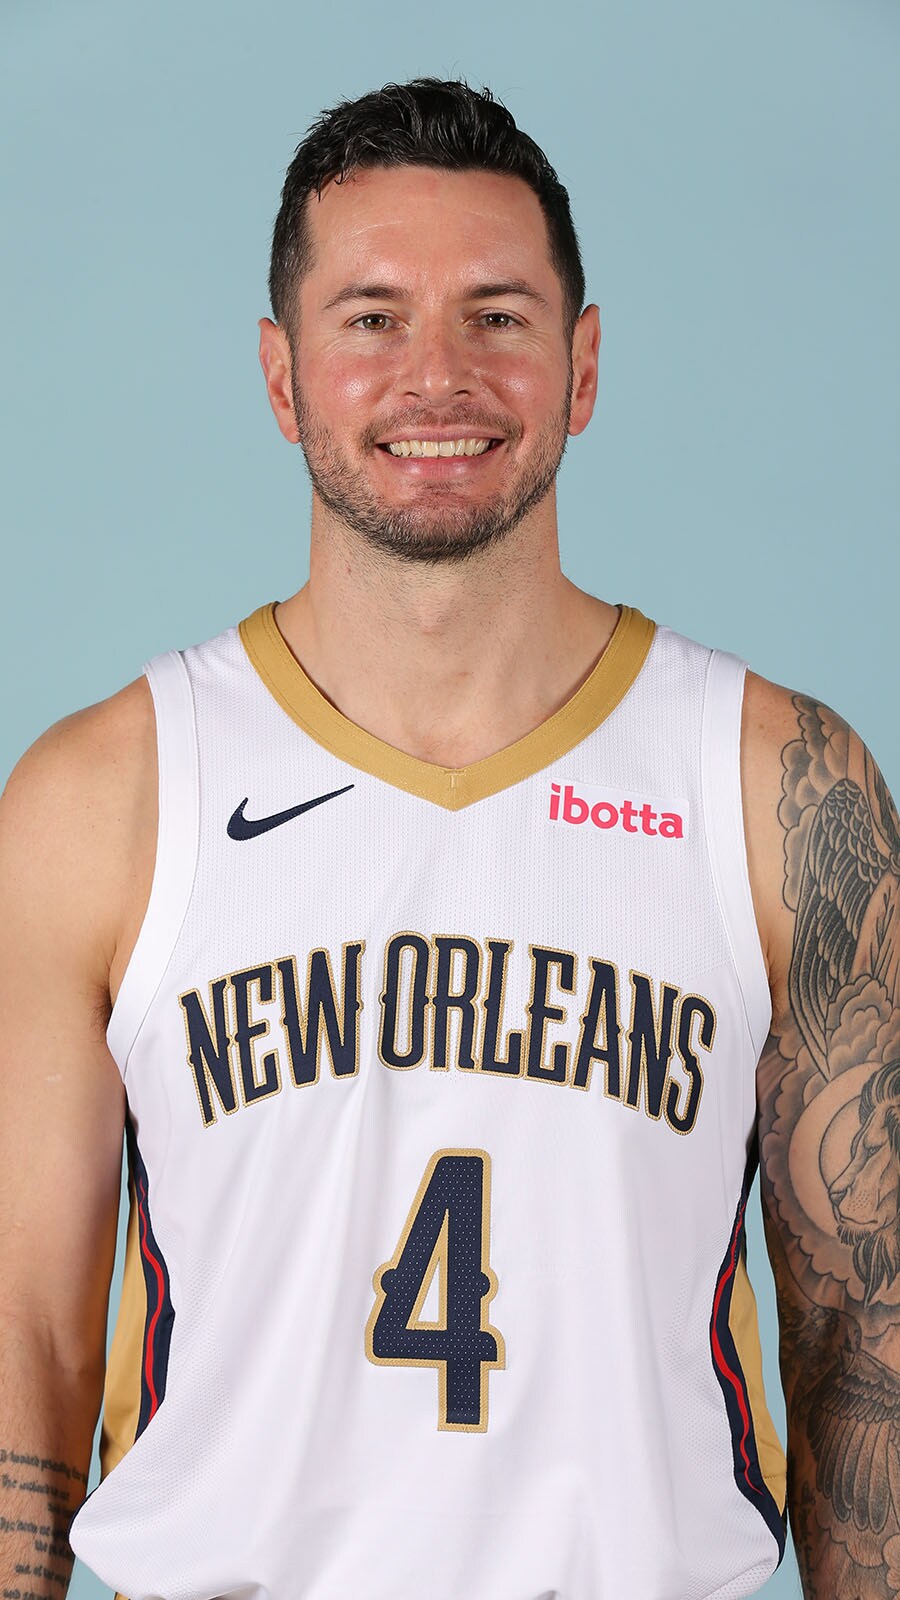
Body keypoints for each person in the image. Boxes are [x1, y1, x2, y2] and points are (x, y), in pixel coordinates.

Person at [0, 76, 897, 1600]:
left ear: (583, 364)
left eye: (497, 316)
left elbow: (864, 1343)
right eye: (372, 319)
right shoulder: (104, 798)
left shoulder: (777, 785)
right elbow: (25, 1344)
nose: (439, 376)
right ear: (281, 377)